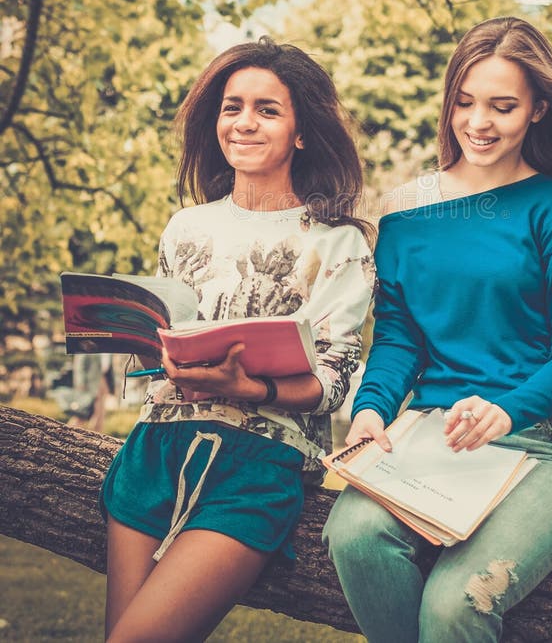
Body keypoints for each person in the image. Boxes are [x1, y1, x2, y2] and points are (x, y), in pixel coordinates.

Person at [323, 16, 552, 642]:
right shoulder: (406, 212)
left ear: (538, 109)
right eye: (465, 102)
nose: (478, 122)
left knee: (455, 605)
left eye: (503, 106)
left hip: (545, 445)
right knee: (353, 535)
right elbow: (398, 340)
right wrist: (369, 411)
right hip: (433, 441)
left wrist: (504, 411)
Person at [100, 39, 375, 642]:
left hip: (259, 462)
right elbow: (160, 341)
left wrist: (249, 385)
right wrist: (151, 353)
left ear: (302, 130)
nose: (244, 122)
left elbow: (336, 381)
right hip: (153, 445)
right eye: (232, 107)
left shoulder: (338, 243)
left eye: (267, 109)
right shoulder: (186, 226)